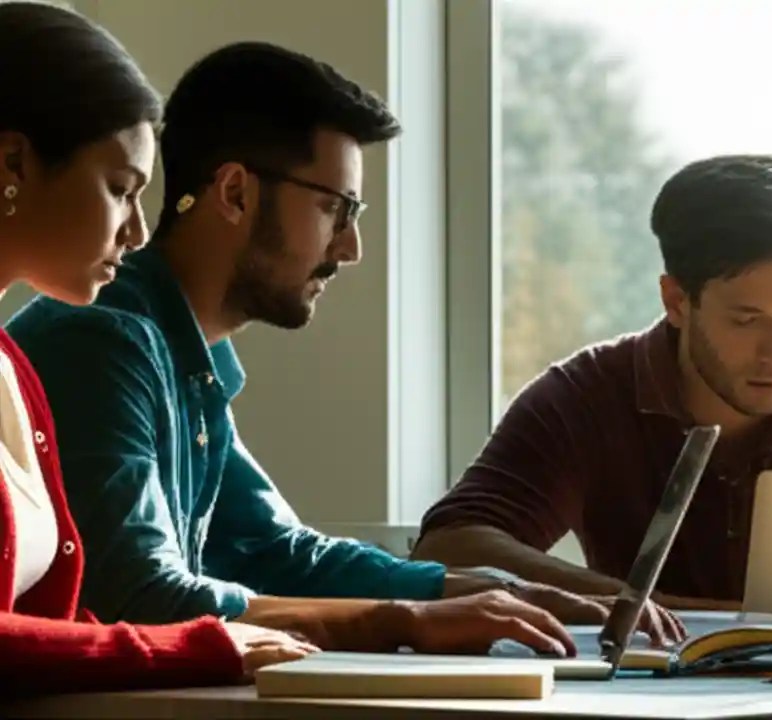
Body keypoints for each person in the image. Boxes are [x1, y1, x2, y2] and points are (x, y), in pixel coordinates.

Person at [5, 40, 678, 658]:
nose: (351, 248)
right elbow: (143, 597)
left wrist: (486, 590)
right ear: (235, 192)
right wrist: (400, 619)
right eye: (337, 209)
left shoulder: (178, 360)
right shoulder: (103, 340)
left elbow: (277, 552)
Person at [415, 154, 772, 608]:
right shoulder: (585, 396)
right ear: (677, 301)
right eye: (745, 319)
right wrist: (631, 602)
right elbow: (450, 545)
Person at [0, 2, 318, 694]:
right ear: (14, 162)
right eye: (120, 190)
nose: (139, 232)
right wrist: (187, 646)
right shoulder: (88, 341)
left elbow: (59, 624)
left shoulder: (15, 372)